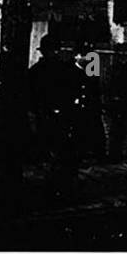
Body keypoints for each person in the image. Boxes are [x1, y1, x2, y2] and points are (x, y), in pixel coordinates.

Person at [28, 34, 82, 192]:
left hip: (50, 115)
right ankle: (61, 183)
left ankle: (57, 182)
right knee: (60, 150)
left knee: (54, 150)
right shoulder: (65, 69)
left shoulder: (36, 71)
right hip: (57, 115)